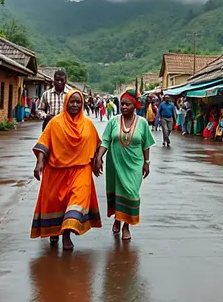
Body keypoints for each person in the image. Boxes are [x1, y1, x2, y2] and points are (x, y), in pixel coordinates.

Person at [31, 90, 102, 250]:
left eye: (78, 102)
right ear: (66, 103)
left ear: (82, 104)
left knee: (78, 200)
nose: (75, 105)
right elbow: (44, 143)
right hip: (56, 171)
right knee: (57, 205)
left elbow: (96, 144)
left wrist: (98, 160)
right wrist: (39, 163)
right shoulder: (55, 123)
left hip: (81, 170)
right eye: (72, 101)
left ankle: (66, 234)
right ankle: (54, 230)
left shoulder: (88, 124)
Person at [94, 89, 155, 241]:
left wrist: (147, 162)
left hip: (135, 165)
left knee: (131, 193)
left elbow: (146, 144)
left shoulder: (142, 123)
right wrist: (99, 157)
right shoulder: (113, 121)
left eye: (127, 104)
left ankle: (126, 225)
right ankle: (118, 219)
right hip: (115, 163)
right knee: (118, 192)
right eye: (122, 104)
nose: (124, 107)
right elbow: (106, 141)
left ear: (135, 106)